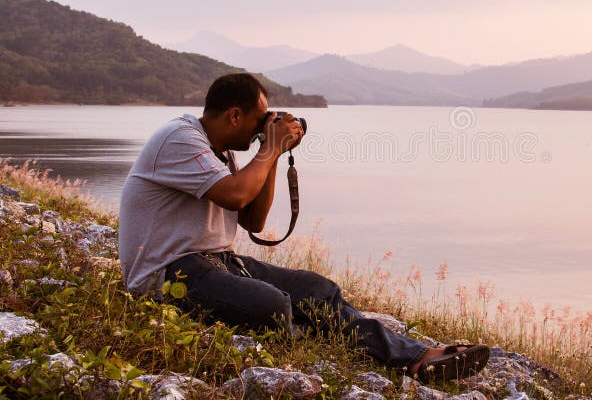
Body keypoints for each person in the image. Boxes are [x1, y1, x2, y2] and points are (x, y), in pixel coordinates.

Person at [118, 73, 489, 384]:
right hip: (167, 273)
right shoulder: (179, 138)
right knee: (272, 304)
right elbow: (234, 197)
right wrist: (270, 148)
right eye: (258, 119)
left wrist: (273, 153)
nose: (262, 128)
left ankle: (418, 358)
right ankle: (330, 342)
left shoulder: (223, 150)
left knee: (318, 290)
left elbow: (252, 220)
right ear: (234, 115)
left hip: (217, 261)